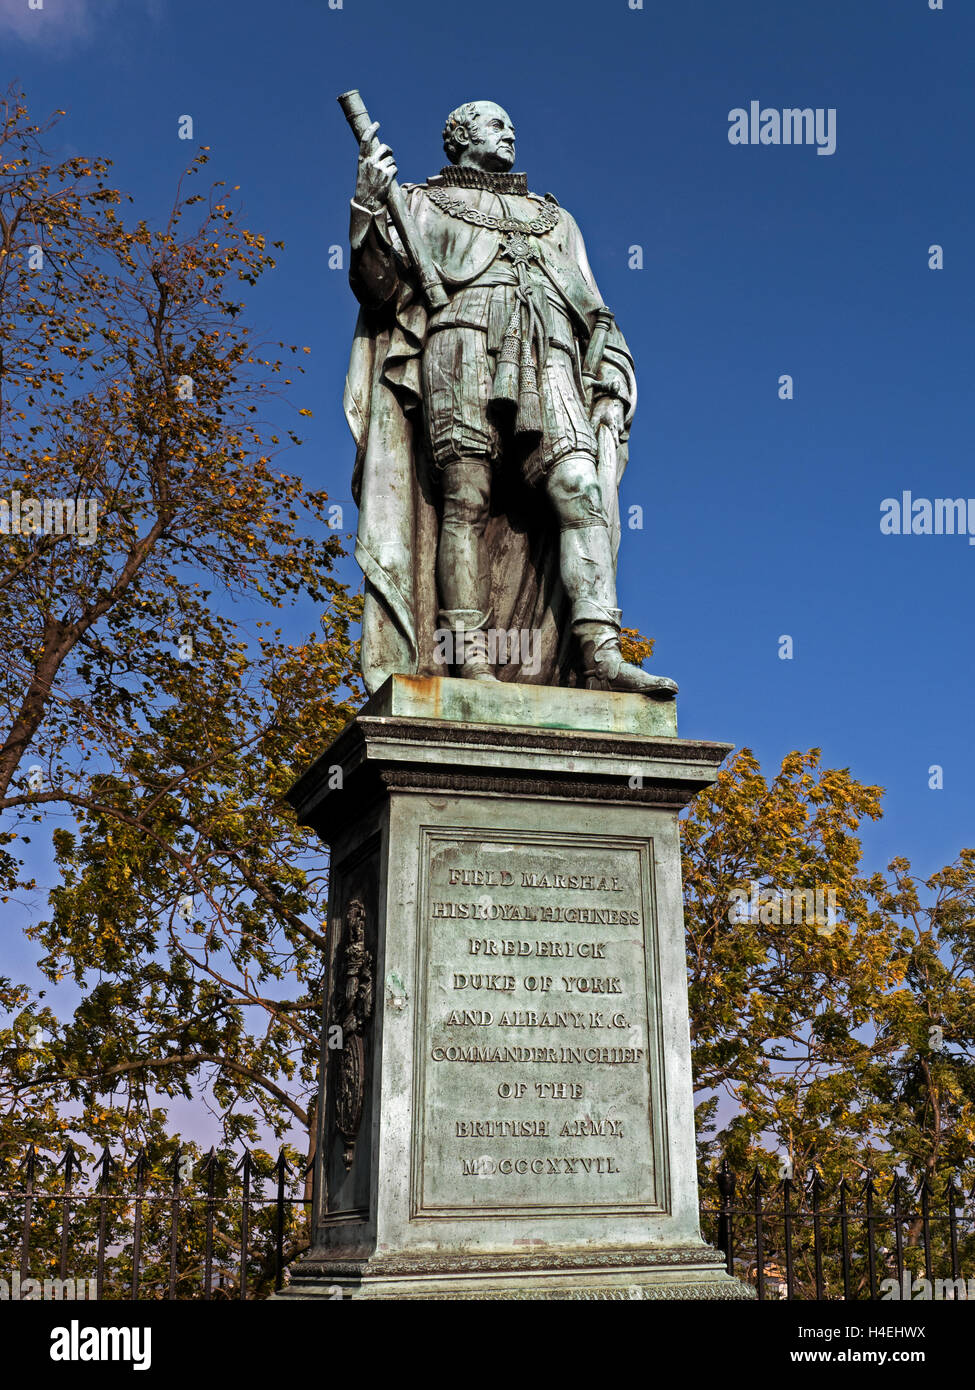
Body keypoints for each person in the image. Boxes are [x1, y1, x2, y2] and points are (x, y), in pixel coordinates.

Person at [345, 99, 677, 698]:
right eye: (498, 123)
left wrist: (609, 380)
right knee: (464, 498)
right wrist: (368, 206)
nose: (511, 132)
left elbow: (594, 310)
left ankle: (600, 653)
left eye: (512, 125)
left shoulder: (556, 220)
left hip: (550, 354)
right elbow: (380, 291)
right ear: (461, 135)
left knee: (581, 490)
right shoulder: (417, 202)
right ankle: (466, 657)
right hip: (460, 343)